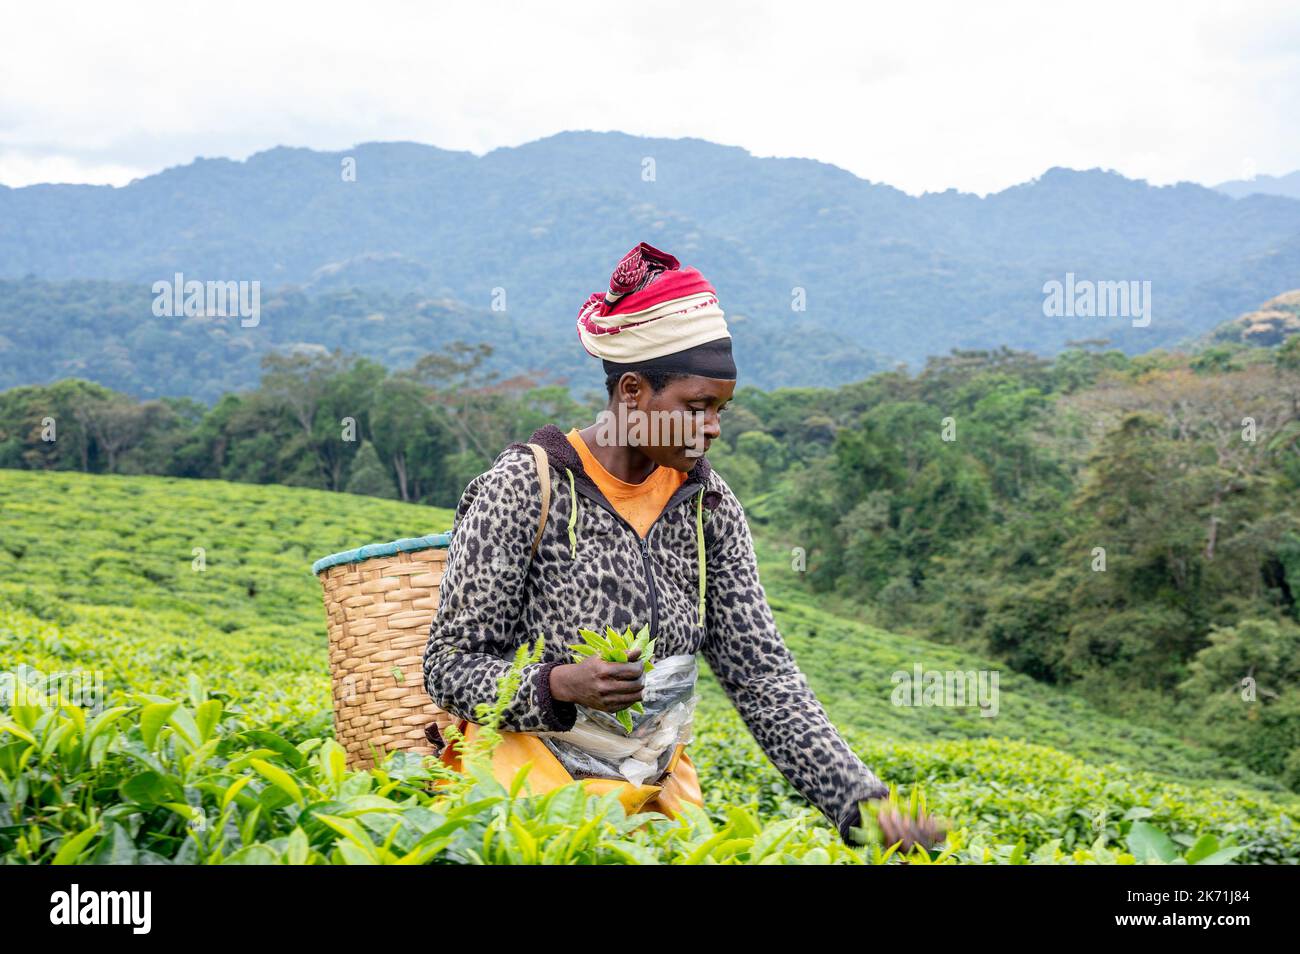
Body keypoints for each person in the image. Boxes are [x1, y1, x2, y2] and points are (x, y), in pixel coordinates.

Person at [422, 241, 924, 847]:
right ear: (632, 391)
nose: (713, 426)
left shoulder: (708, 508)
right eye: (697, 406)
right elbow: (449, 667)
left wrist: (859, 806)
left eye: (721, 409)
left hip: (659, 794)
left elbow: (762, 677)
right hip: (531, 798)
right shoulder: (528, 487)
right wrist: (557, 685)